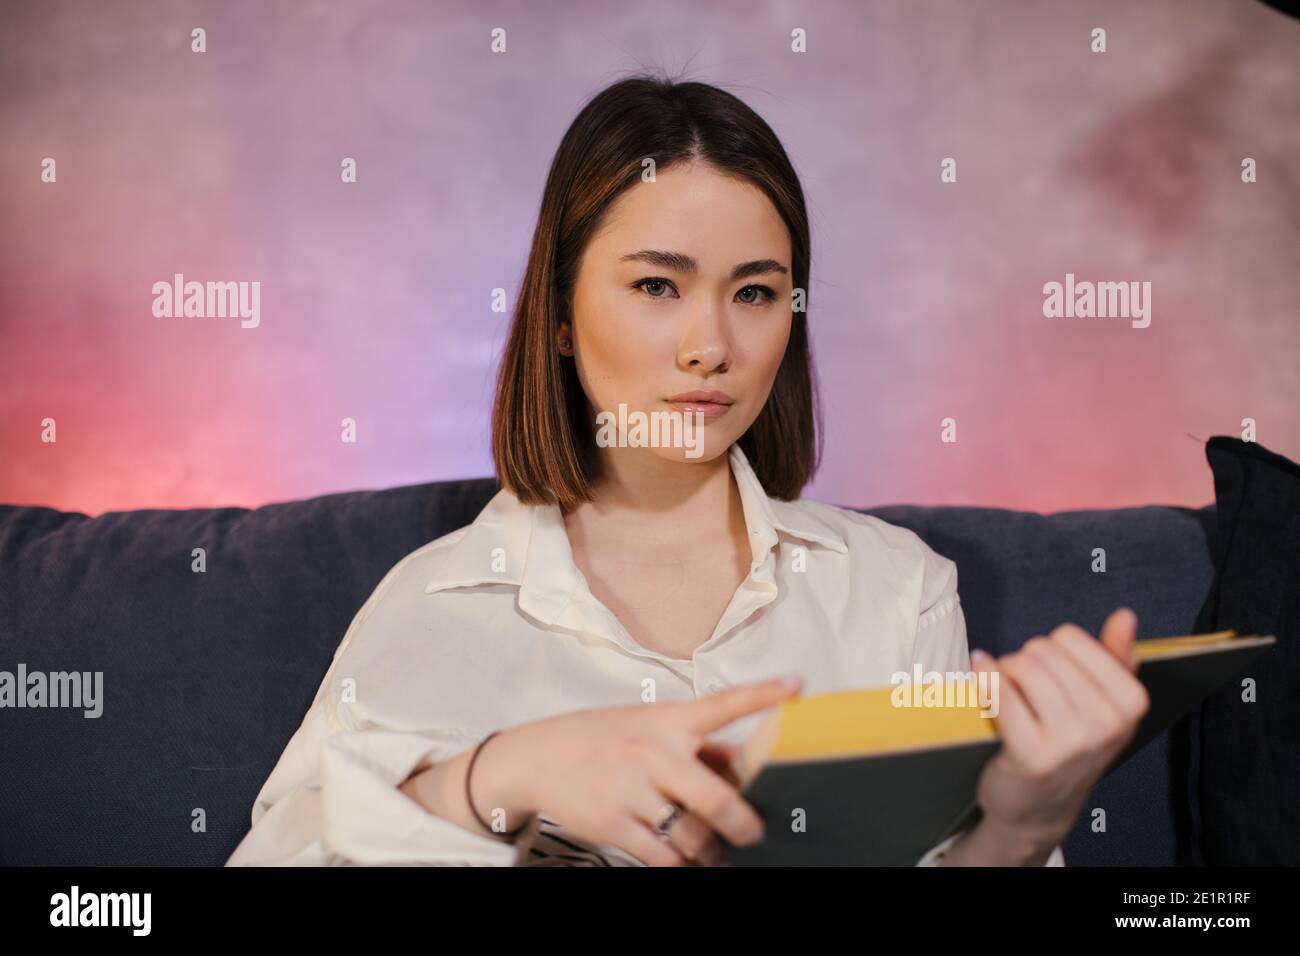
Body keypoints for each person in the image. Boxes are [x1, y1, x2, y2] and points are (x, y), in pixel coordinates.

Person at [226, 73, 1149, 867]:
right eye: (657, 286)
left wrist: (1022, 827)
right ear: (557, 313)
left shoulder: (894, 590)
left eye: (753, 292)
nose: (711, 346)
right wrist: (494, 781)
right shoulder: (435, 602)